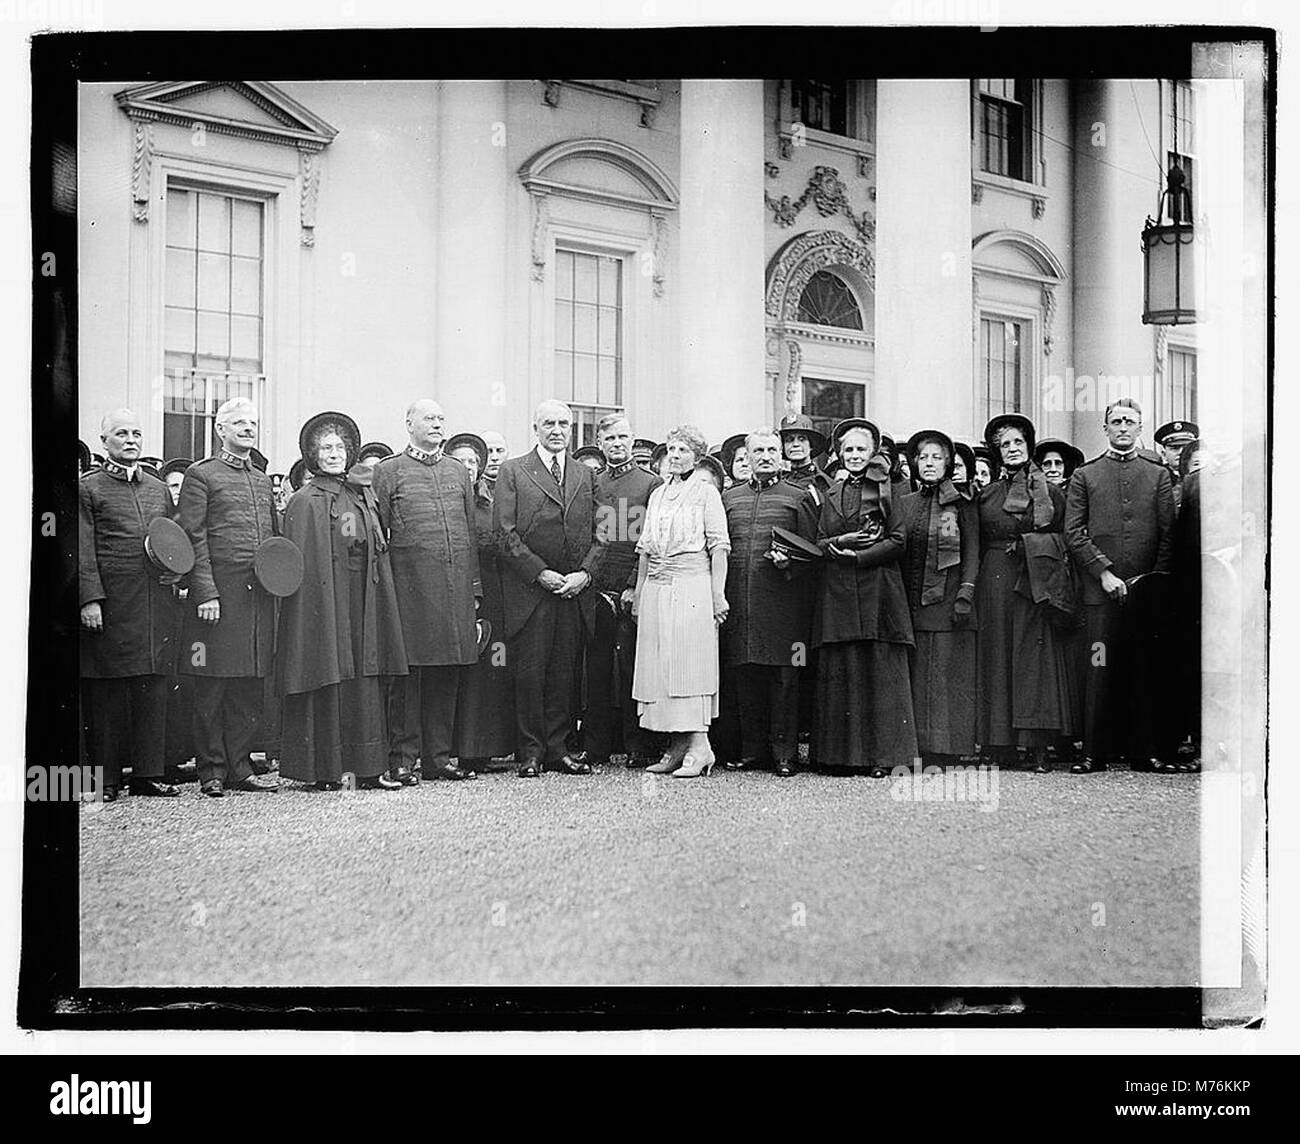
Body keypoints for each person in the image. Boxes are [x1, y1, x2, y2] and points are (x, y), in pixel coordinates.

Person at [276, 412, 408, 790]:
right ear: (313, 455)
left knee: (364, 677)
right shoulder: (305, 500)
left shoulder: (362, 493)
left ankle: (367, 768)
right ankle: (327, 769)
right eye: (325, 448)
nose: (334, 454)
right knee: (330, 672)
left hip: (362, 596)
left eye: (339, 447)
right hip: (326, 602)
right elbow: (305, 560)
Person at [372, 400, 483, 783]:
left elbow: (469, 533)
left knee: (447, 673)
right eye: (428, 419)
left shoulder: (457, 471)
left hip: (454, 593)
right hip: (409, 593)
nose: (437, 424)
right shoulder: (388, 472)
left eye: (440, 418)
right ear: (408, 424)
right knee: (409, 678)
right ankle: (402, 758)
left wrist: (474, 589)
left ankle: (439, 758)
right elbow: (379, 536)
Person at [176, 398, 281, 797]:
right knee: (212, 684)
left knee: (248, 683)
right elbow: (193, 536)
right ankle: (212, 771)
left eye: (253, 422)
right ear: (220, 430)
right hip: (218, 595)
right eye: (238, 422)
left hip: (256, 597)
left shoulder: (259, 477)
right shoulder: (201, 474)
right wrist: (205, 592)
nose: (248, 428)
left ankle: (240, 767)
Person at [1064, 397, 1175, 773]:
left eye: (1130, 421)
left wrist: (1148, 582)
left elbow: (1168, 534)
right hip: (1100, 596)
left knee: (1144, 668)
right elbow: (1074, 533)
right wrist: (1104, 573)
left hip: (1144, 597)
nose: (1123, 427)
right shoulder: (1085, 475)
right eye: (1116, 421)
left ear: (1140, 428)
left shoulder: (1158, 475)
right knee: (1099, 666)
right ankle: (1094, 752)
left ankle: (1146, 752)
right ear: (1106, 428)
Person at [495, 400, 604, 778]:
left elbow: (602, 532)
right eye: (548, 424)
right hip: (532, 592)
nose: (556, 430)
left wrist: (584, 575)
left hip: (572, 592)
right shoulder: (513, 471)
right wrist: (539, 573)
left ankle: (559, 749)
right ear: (535, 428)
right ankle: (530, 752)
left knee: (564, 673)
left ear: (571, 429)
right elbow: (504, 534)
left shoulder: (586, 475)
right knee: (530, 674)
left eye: (563, 424)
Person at [79, 409, 182, 801]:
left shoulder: (157, 488)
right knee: (108, 693)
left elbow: (172, 542)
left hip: (155, 604)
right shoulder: (88, 488)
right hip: (112, 603)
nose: (131, 439)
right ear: (104, 441)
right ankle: (105, 780)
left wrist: (177, 573)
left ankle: (147, 774)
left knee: (152, 686)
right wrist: (90, 599)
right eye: (121, 433)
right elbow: (82, 548)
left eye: (137, 433)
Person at [811, 422, 917, 777]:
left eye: (861, 450)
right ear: (840, 455)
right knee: (846, 669)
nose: (855, 456)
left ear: (873, 453)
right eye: (849, 451)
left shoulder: (891, 490)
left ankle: (882, 757)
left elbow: (899, 540)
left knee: (878, 671)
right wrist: (844, 542)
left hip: (878, 589)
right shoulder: (832, 492)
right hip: (839, 591)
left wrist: (860, 555)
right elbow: (821, 540)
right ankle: (842, 757)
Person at [974, 413, 1075, 774]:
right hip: (997, 579)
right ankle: (997, 744)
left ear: (1028, 445)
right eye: (1005, 444)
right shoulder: (986, 495)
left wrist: (1034, 546)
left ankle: (1037, 746)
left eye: (1018, 442)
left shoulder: (1052, 493)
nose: (1012, 449)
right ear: (996, 452)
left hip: (1037, 578)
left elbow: (1067, 536)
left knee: (1036, 662)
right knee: (998, 657)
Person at [720, 428, 819, 776]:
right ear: (747, 455)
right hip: (741, 603)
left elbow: (813, 551)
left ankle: (784, 754)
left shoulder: (799, 495)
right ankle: (753, 751)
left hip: (787, 606)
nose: (765, 456)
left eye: (771, 450)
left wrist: (789, 564)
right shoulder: (730, 498)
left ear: (781, 455)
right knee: (745, 674)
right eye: (758, 450)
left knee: (786, 678)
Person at [632, 424, 730, 778]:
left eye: (683, 451)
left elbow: (719, 548)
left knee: (689, 664)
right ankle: (675, 745)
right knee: (660, 667)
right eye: (671, 449)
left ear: (697, 456)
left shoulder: (706, 494)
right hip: (658, 587)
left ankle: (701, 746)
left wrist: (717, 595)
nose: (675, 456)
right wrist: (641, 594)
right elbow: (644, 548)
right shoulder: (658, 494)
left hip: (692, 587)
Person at [898, 430, 980, 768]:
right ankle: (920, 745)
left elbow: (972, 550)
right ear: (915, 463)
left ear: (948, 463)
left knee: (946, 674)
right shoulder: (905, 503)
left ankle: (948, 747)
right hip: (913, 599)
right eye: (923, 458)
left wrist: (966, 592)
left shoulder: (961, 503)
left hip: (949, 600)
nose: (929, 463)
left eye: (936, 457)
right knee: (918, 675)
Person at [586, 413, 662, 768]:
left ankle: (639, 746)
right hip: (596, 588)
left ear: (632, 440)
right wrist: (593, 584)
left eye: (623, 438)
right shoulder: (592, 482)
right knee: (597, 668)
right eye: (610, 439)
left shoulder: (651, 483)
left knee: (634, 667)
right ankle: (597, 746)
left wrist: (634, 585)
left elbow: (650, 542)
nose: (617, 444)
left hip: (634, 587)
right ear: (600, 444)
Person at [446, 431, 516, 771]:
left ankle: (490, 745)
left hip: (495, 591)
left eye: (475, 461)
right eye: (462, 461)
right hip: (459, 591)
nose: (469, 467)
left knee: (494, 661)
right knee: (465, 667)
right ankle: (462, 749)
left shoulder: (493, 499)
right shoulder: (448, 501)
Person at [777, 413, 831, 499]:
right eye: (789, 440)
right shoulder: (779, 480)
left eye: (802, 439)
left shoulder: (821, 482)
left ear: (811, 446)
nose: (795, 444)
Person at [1153, 419, 1199, 515]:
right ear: (1164, 454)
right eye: (1175, 448)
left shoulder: (1202, 478)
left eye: (1186, 447)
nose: (1181, 452)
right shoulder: (1156, 479)